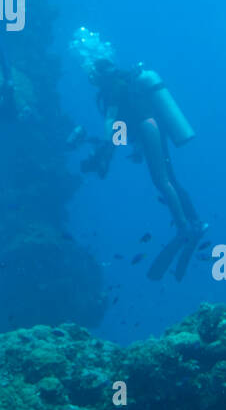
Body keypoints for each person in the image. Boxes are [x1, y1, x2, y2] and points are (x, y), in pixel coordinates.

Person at [70, 27, 206, 279]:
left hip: (148, 127)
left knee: (162, 180)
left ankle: (184, 227)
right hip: (153, 128)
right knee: (169, 178)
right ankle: (194, 221)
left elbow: (113, 120)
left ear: (100, 73)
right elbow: (127, 121)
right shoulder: (125, 83)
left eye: (91, 73)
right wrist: (120, 148)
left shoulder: (113, 86)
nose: (90, 77)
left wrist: (107, 145)